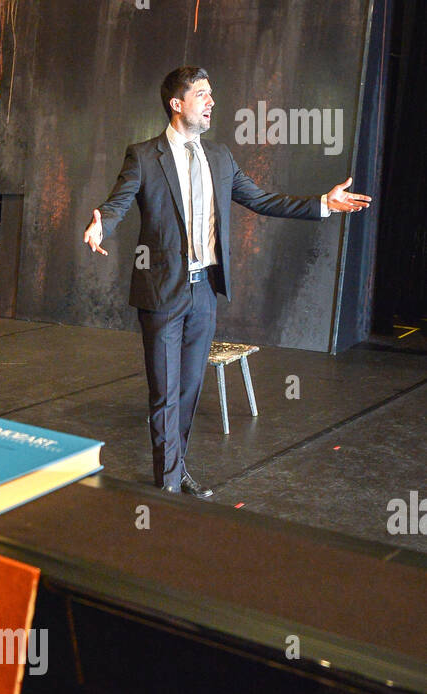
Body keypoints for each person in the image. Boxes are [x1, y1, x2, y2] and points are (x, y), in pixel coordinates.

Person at [84, 67, 371, 497]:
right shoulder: (144, 155)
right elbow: (119, 200)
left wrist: (322, 205)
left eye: (211, 94)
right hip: (162, 293)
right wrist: (101, 224)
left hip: (204, 294)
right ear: (177, 105)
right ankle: (166, 489)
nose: (211, 101)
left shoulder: (219, 157)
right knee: (164, 394)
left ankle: (176, 472)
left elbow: (262, 200)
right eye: (202, 94)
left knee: (189, 391)